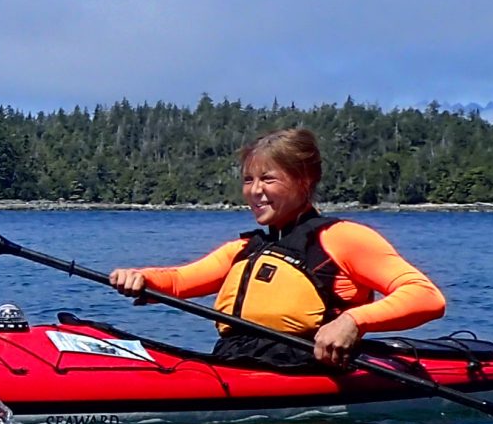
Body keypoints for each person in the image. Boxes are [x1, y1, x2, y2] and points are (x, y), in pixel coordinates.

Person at [107, 127, 446, 367]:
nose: (255, 191)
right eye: (248, 180)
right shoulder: (245, 249)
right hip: (233, 362)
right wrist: (139, 277)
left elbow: (426, 297)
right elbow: (179, 281)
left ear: (304, 181)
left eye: (268, 179)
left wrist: (354, 321)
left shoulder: (343, 238)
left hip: (307, 371)